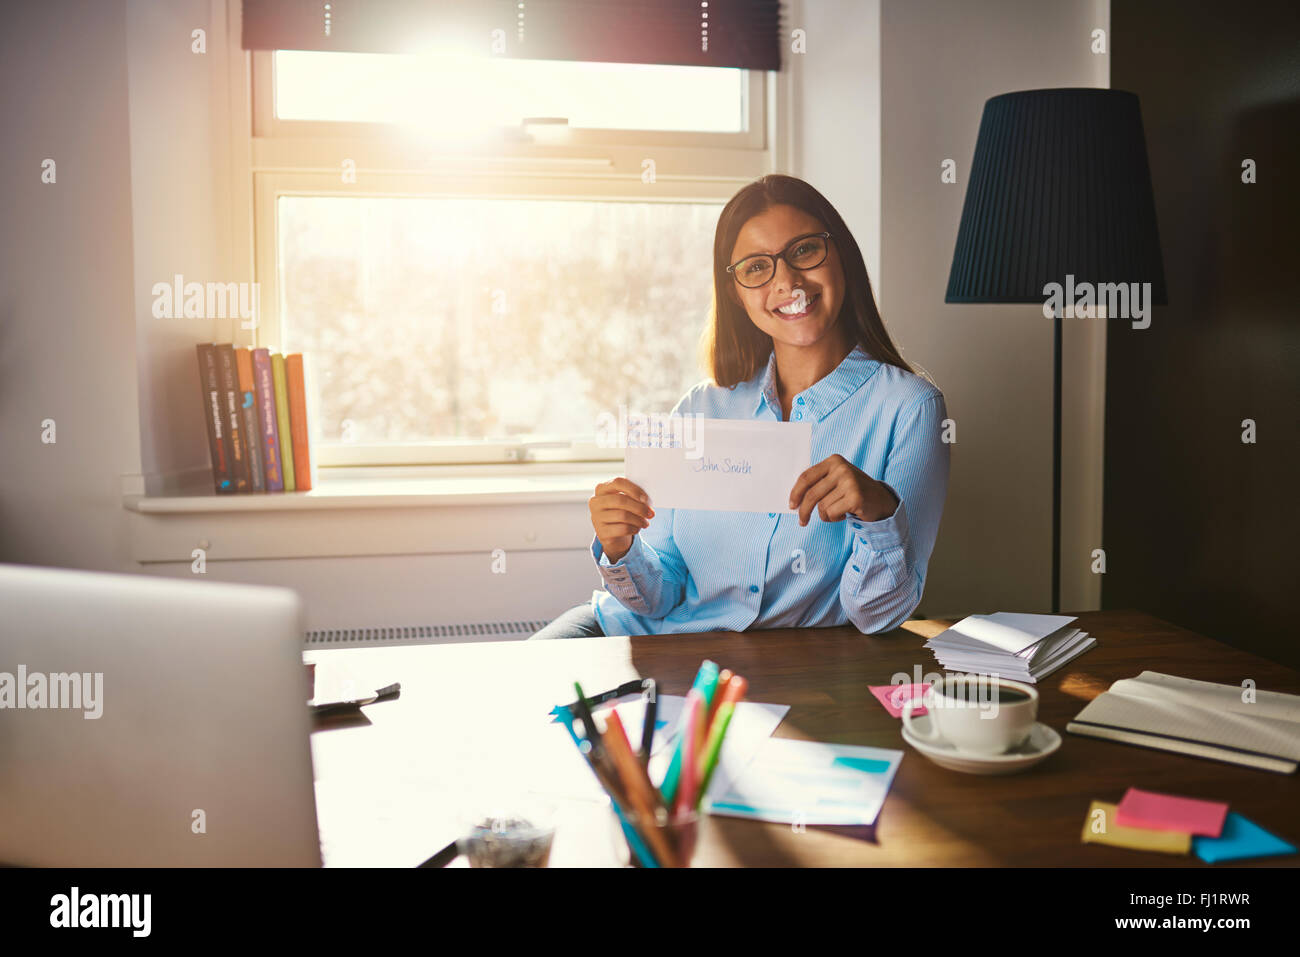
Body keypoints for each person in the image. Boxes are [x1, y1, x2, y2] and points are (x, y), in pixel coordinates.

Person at [530, 174, 949, 640]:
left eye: (805, 251)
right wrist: (620, 547)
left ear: (841, 257)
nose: (787, 281)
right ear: (737, 293)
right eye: (756, 267)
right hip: (627, 635)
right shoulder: (701, 407)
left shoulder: (910, 409)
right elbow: (658, 596)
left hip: (776, 668)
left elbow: (877, 616)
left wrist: (878, 511)